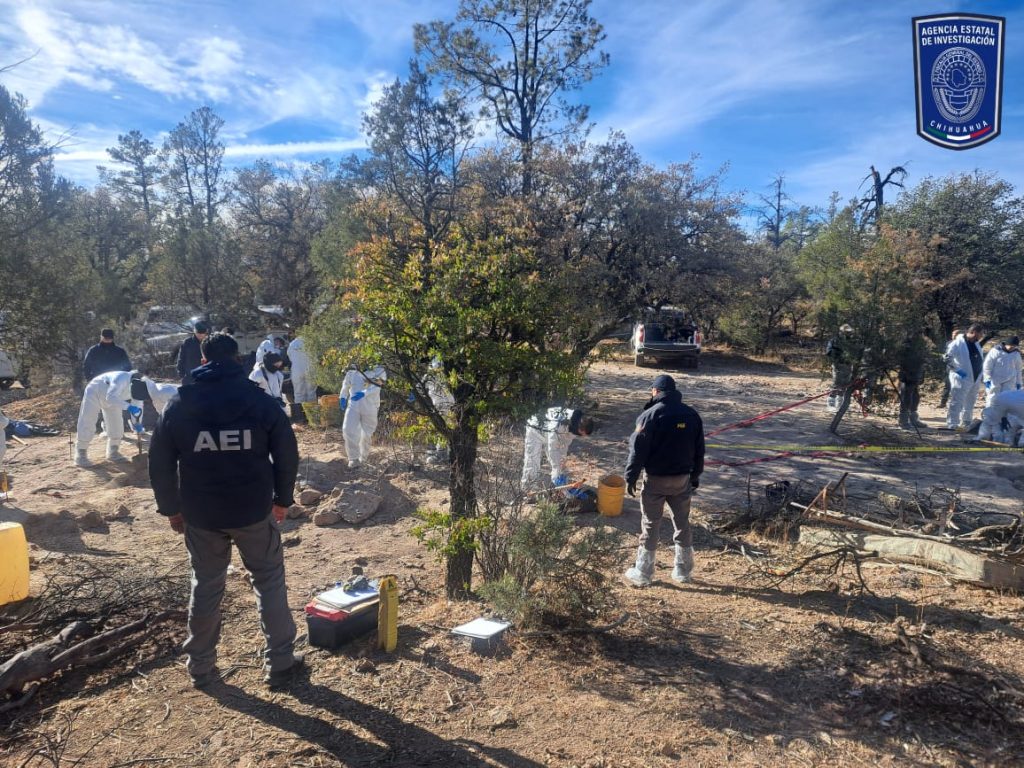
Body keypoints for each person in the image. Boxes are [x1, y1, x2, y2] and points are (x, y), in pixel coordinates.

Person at [148, 332, 302, 689]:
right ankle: (280, 664)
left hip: (201, 515)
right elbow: (286, 452)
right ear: (237, 359)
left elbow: (159, 463)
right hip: (252, 510)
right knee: (269, 582)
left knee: (206, 585)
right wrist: (282, 500)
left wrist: (171, 509)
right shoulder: (259, 401)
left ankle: (201, 667)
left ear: (202, 361)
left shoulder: (180, 403)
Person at [623, 374, 705, 587]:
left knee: (651, 524)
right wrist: (695, 475)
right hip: (682, 480)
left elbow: (637, 450)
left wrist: (630, 477)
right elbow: (699, 450)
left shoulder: (649, 415)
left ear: (655, 391)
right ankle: (683, 572)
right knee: (682, 523)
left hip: (656, 480)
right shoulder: (692, 415)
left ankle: (643, 572)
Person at [74, 370, 150, 466]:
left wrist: (137, 424)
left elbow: (138, 407)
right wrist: (129, 407)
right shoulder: (120, 378)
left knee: (116, 425)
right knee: (88, 420)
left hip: (115, 399)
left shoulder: (140, 387)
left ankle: (113, 452)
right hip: (96, 391)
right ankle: (81, 454)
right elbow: (110, 397)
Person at [520, 407, 594, 499]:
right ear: (580, 428)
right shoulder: (557, 427)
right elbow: (553, 450)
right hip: (535, 428)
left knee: (559, 464)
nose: (582, 436)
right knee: (532, 460)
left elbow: (564, 444)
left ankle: (559, 481)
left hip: (548, 430)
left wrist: (562, 461)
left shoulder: (576, 422)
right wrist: (556, 471)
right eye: (582, 434)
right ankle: (527, 490)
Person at [339, 363, 386, 468]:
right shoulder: (352, 371)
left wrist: (364, 393)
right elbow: (346, 384)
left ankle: (363, 458)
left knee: (366, 434)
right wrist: (342, 396)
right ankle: (353, 458)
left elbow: (378, 385)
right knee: (348, 429)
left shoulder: (379, 370)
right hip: (353, 405)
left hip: (371, 406)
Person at [945, 324, 985, 430]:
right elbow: (947, 358)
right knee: (957, 400)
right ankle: (952, 423)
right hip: (961, 377)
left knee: (970, 400)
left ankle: (966, 421)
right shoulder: (957, 343)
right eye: (981, 334)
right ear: (974, 332)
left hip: (975, 378)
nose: (981, 336)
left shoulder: (976, 344)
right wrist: (958, 370)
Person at [897, 330, 929, 430]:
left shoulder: (919, 346)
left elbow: (922, 360)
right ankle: (903, 421)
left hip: (916, 375)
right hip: (908, 375)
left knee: (915, 397)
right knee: (906, 398)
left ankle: (913, 419)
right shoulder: (906, 346)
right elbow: (903, 360)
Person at [824, 324, 856, 412]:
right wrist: (838, 354)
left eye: (849, 333)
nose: (848, 334)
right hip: (838, 365)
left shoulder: (852, 341)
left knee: (845, 385)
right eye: (846, 333)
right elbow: (829, 352)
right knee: (836, 384)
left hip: (848, 365)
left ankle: (841, 404)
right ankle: (831, 403)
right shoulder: (835, 341)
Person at [983, 336, 1022, 406]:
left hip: (1010, 379)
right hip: (995, 379)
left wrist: (1019, 382)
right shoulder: (995, 351)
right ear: (1006, 344)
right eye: (1011, 346)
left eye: (1014, 346)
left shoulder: (1016, 354)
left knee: (1008, 398)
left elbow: (1018, 369)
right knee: (992, 398)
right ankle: (990, 415)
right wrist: (987, 378)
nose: (1012, 348)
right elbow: (987, 366)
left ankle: (1004, 416)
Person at [287, 337, 314, 424]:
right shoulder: (311, 341)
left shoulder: (292, 344)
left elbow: (289, 356)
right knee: (311, 393)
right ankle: (312, 417)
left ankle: (300, 418)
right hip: (310, 369)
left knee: (298, 393)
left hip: (296, 371)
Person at [176, 321, 210, 386]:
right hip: (190, 378)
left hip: (206, 378)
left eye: (202, 333)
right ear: (195, 332)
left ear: (206, 332)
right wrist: (181, 374)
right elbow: (181, 359)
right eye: (198, 333)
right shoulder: (187, 343)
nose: (200, 335)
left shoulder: (210, 342)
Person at [938, 328, 962, 408]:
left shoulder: (963, 344)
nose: (953, 336)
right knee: (947, 385)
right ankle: (943, 402)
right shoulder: (948, 343)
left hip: (960, 369)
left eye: (955, 335)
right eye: (953, 334)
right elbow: (946, 355)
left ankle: (959, 402)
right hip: (949, 368)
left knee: (959, 386)